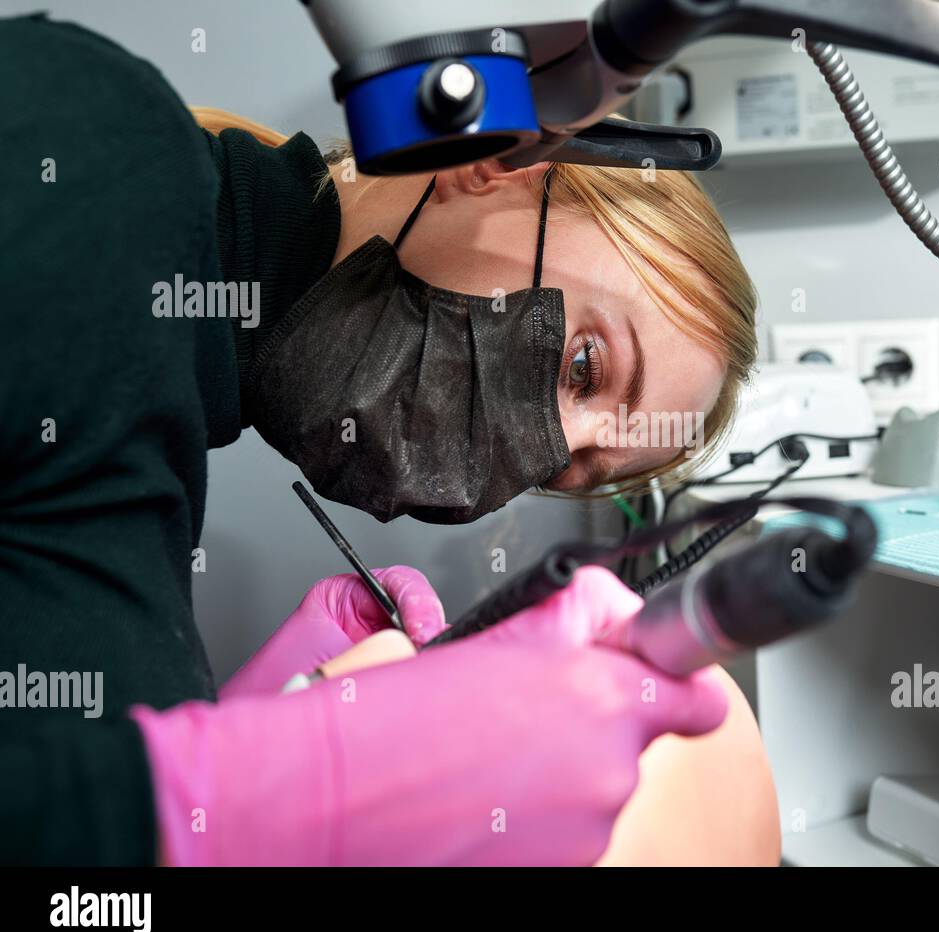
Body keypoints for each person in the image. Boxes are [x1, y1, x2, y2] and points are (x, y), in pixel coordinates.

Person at [0, 13, 770, 865]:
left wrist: (233, 731)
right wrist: (279, 793)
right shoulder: (92, 149)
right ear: (492, 165)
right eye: (585, 366)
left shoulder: (161, 421)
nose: (546, 447)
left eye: (577, 469)